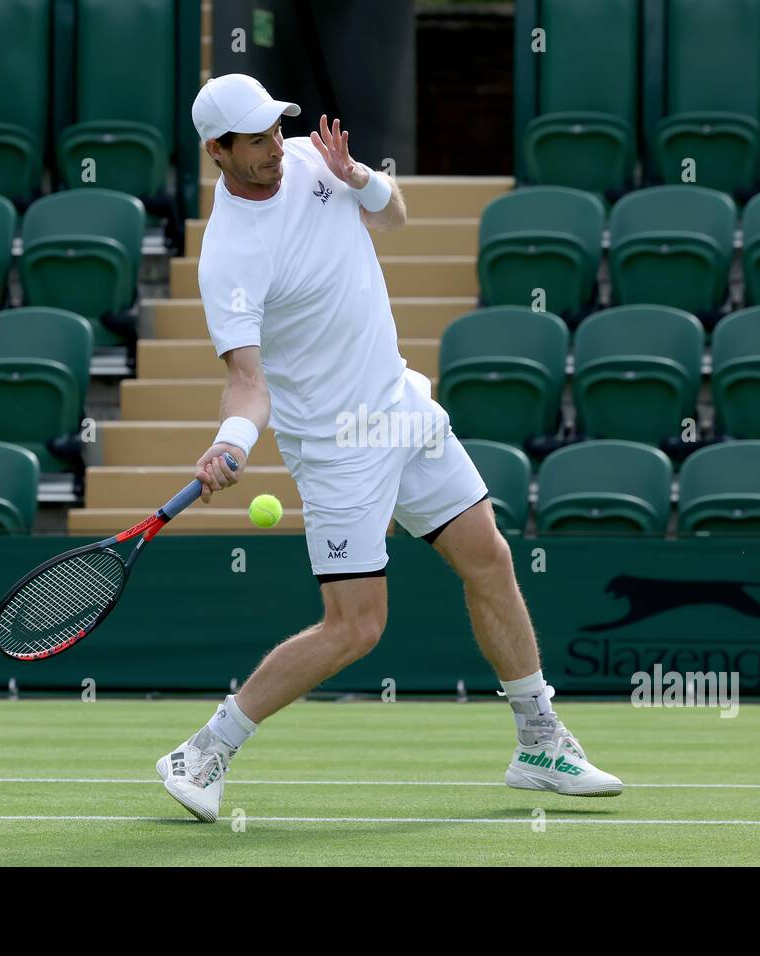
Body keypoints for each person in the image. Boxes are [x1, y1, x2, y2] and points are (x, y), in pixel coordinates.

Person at [156, 73, 623, 822]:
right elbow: (247, 385)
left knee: (489, 557)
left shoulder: (313, 158)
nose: (277, 148)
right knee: (357, 627)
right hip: (337, 445)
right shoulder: (227, 258)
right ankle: (205, 749)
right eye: (256, 140)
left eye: (278, 130)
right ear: (217, 151)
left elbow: (395, 217)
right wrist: (228, 445)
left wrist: (362, 179)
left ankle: (539, 741)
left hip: (400, 409)